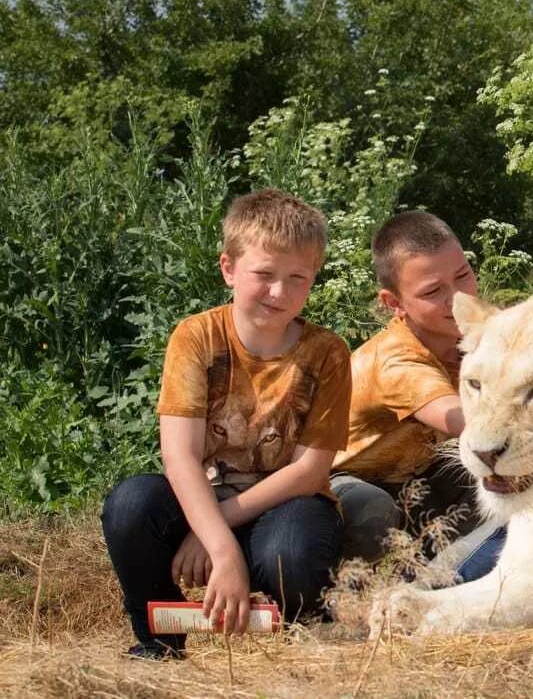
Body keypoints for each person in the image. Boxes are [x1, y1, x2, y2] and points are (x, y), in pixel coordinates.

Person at [100, 189, 350, 660]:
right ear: (228, 268)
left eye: (298, 278)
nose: (279, 292)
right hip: (205, 496)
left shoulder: (327, 352)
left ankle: (301, 639)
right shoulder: (196, 337)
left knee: (293, 552)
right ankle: (158, 641)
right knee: (131, 504)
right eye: (264, 274)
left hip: (286, 503)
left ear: (313, 279)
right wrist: (223, 548)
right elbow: (179, 455)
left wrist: (212, 539)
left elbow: (310, 471)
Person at [329, 211, 485, 567]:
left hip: (415, 477)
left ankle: (435, 571)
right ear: (394, 304)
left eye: (463, 275)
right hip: (342, 485)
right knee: (371, 508)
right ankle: (346, 596)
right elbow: (463, 419)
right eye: (433, 291)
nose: (458, 296)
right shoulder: (396, 360)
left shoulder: (469, 332)